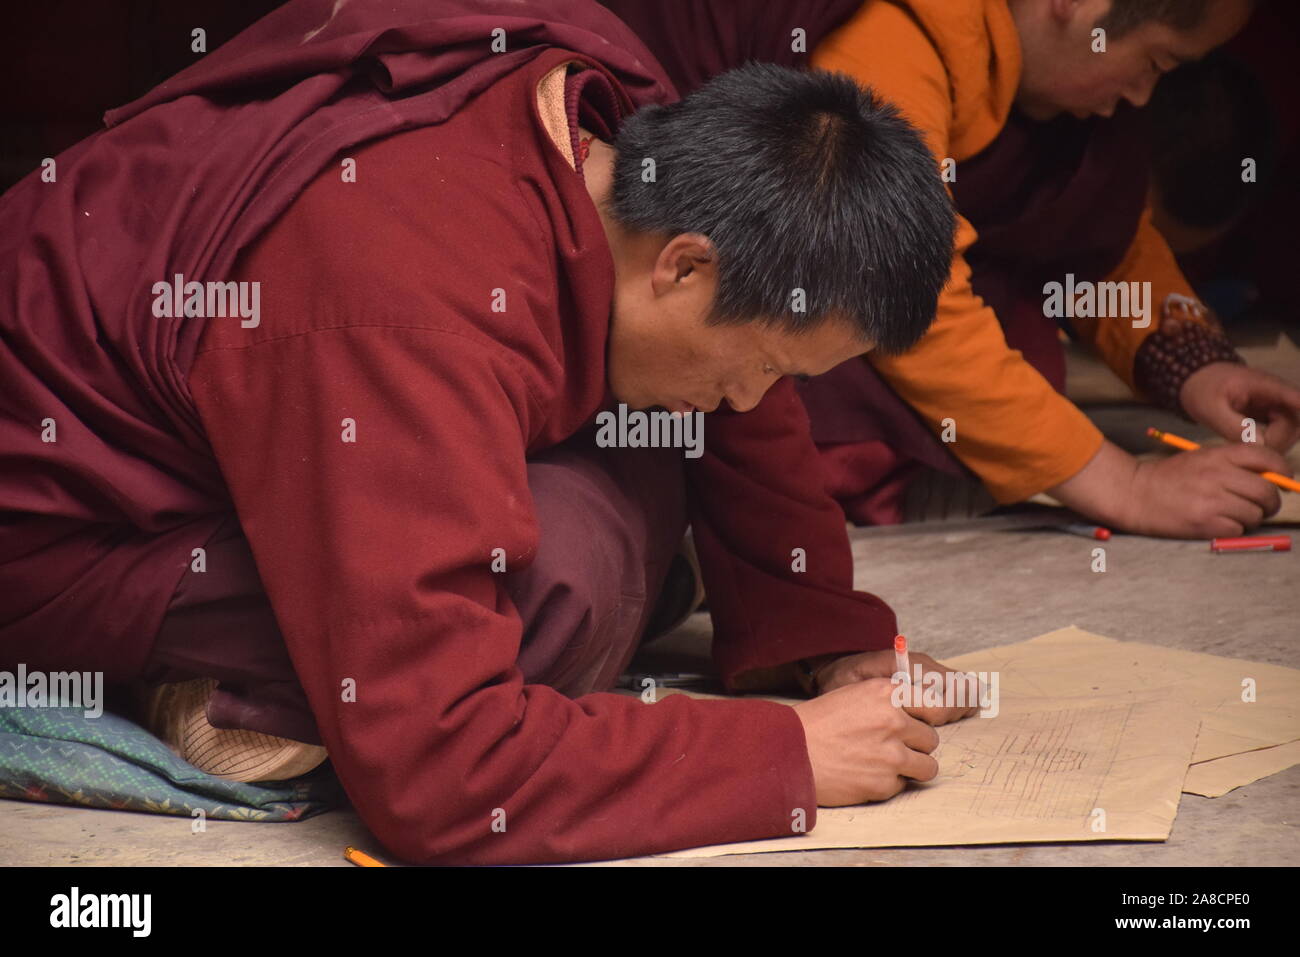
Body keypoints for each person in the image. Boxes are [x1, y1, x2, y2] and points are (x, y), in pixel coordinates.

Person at [0, 0, 968, 864]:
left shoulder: (609, 118)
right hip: (66, 540)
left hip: (286, 402)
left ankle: (317, 652)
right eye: (763, 364)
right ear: (681, 265)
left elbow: (750, 407)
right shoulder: (402, 301)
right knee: (561, 572)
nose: (754, 400)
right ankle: (233, 698)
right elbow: (447, 783)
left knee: (659, 453)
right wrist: (786, 754)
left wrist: (825, 632)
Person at [602, 0, 1300, 537]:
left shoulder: (1046, 84)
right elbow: (896, 281)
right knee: (800, 363)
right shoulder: (895, 33)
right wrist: (1126, 485)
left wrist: (1193, 365)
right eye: (1156, 64)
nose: (1144, 99)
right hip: (695, 304)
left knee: (1022, 339)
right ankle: (880, 481)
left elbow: (1095, 240)